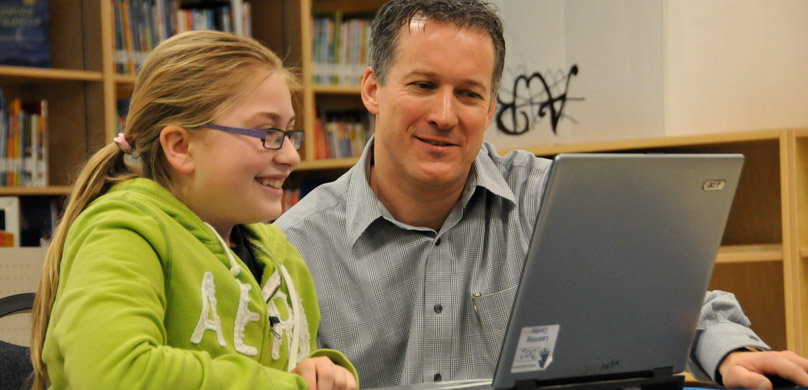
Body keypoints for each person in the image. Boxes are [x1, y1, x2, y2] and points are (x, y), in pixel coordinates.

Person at [273, 0, 808, 389]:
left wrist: (730, 351)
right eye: (422, 85)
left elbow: (668, 292)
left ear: (489, 108)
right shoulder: (294, 245)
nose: (444, 114)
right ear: (372, 89)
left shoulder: (550, 200)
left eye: (467, 93)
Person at [28, 30, 358, 390]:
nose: (292, 156)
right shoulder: (123, 231)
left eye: (290, 133)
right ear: (181, 146)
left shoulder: (280, 254)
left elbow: (285, 363)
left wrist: (321, 370)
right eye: (267, 133)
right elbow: (113, 375)